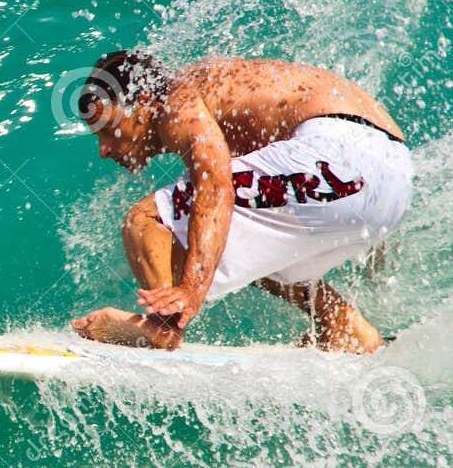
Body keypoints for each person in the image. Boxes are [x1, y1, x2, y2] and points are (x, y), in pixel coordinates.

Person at [69, 50, 411, 353]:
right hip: (394, 180)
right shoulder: (219, 89)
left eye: (106, 128)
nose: (104, 150)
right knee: (218, 232)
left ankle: (162, 328)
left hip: (337, 159)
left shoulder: (176, 99)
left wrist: (190, 290)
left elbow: (216, 188)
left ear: (143, 100)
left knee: (146, 219)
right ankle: (341, 323)